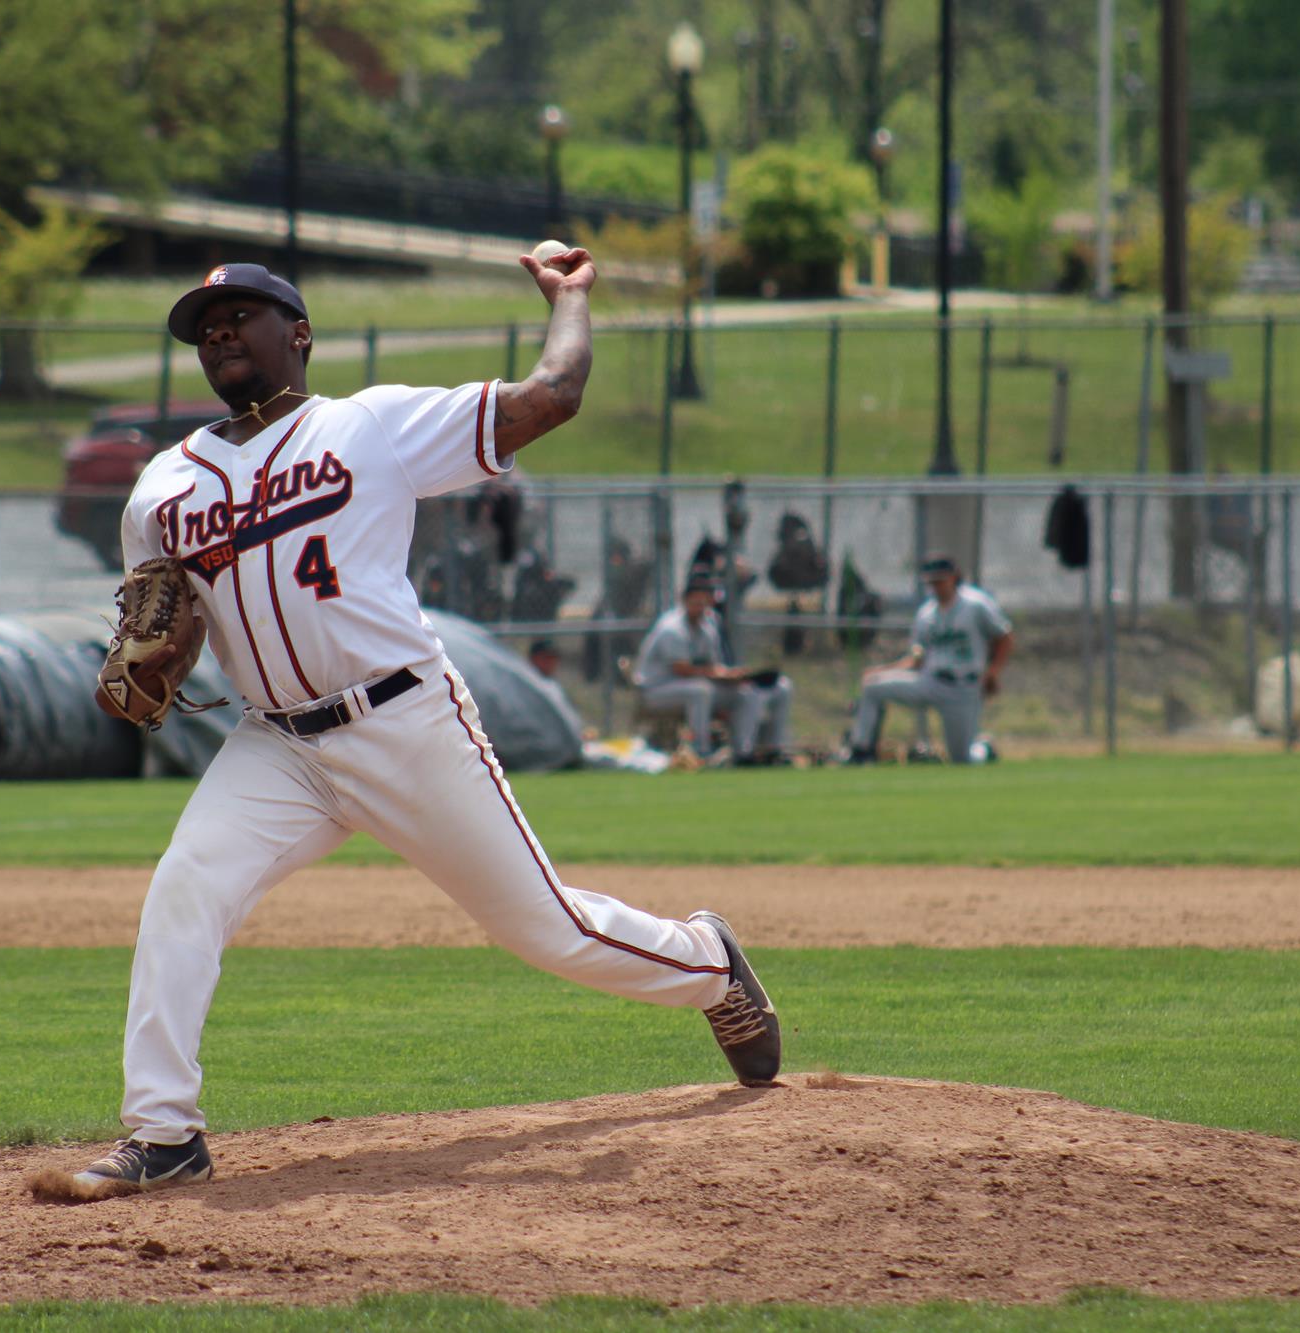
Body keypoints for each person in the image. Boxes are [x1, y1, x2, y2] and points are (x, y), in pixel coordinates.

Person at [46, 255, 780, 1197]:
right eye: (204, 324)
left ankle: (710, 962)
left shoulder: (370, 426)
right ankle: (164, 1131)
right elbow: (156, 624)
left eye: (240, 313)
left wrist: (572, 300)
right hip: (277, 744)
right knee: (185, 890)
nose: (219, 331)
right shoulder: (161, 490)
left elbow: (552, 396)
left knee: (551, 933)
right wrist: (150, 652)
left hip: (403, 720)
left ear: (299, 332)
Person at [845, 553, 1014, 765]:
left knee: (962, 760)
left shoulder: (975, 604)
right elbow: (917, 659)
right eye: (932, 582)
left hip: (963, 686)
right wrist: (882, 671)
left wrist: (993, 672)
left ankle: (983, 749)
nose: (937, 586)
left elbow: (1004, 636)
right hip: (930, 681)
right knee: (873, 686)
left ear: (954, 577)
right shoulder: (926, 613)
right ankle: (861, 751)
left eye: (941, 580)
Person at [632, 573, 793, 766]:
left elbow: (712, 665)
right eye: (696, 601)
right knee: (700, 691)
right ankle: (701, 752)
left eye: (705, 601)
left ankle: (747, 752)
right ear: (684, 600)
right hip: (656, 690)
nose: (700, 606)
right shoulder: (672, 628)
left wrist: (735, 676)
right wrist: (723, 675)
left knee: (748, 693)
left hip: (693, 686)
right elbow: (682, 669)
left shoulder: (709, 623)